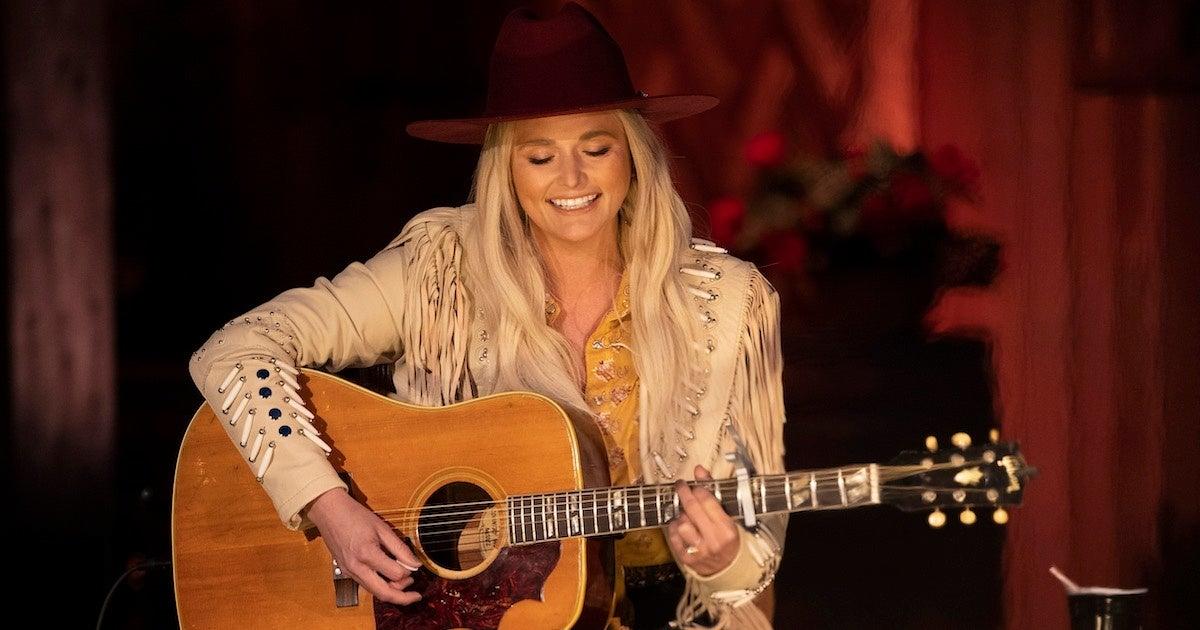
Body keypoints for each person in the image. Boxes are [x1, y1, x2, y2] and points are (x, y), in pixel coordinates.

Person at [188, 4, 786, 628]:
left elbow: (756, 554)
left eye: (596, 146)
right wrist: (327, 504)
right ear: (507, 167)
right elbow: (234, 350)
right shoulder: (438, 272)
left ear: (632, 156)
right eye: (540, 156)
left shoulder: (727, 302)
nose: (572, 177)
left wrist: (722, 561)